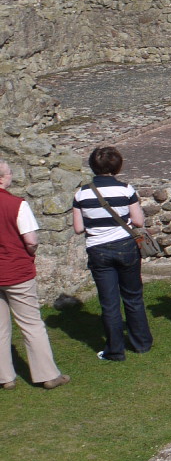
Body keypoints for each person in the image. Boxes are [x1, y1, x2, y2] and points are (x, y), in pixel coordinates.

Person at [71, 146, 152, 362]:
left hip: (98, 249)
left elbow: (78, 228)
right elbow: (138, 221)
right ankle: (141, 343)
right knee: (133, 296)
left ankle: (115, 350)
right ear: (117, 165)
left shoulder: (81, 193)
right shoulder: (125, 189)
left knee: (109, 302)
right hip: (125, 246)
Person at [0, 159, 68, 390]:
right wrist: (29, 250)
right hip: (16, 270)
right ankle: (47, 374)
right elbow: (31, 240)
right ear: (3, 178)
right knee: (30, 323)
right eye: (9, 173)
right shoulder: (15, 204)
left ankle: (5, 377)